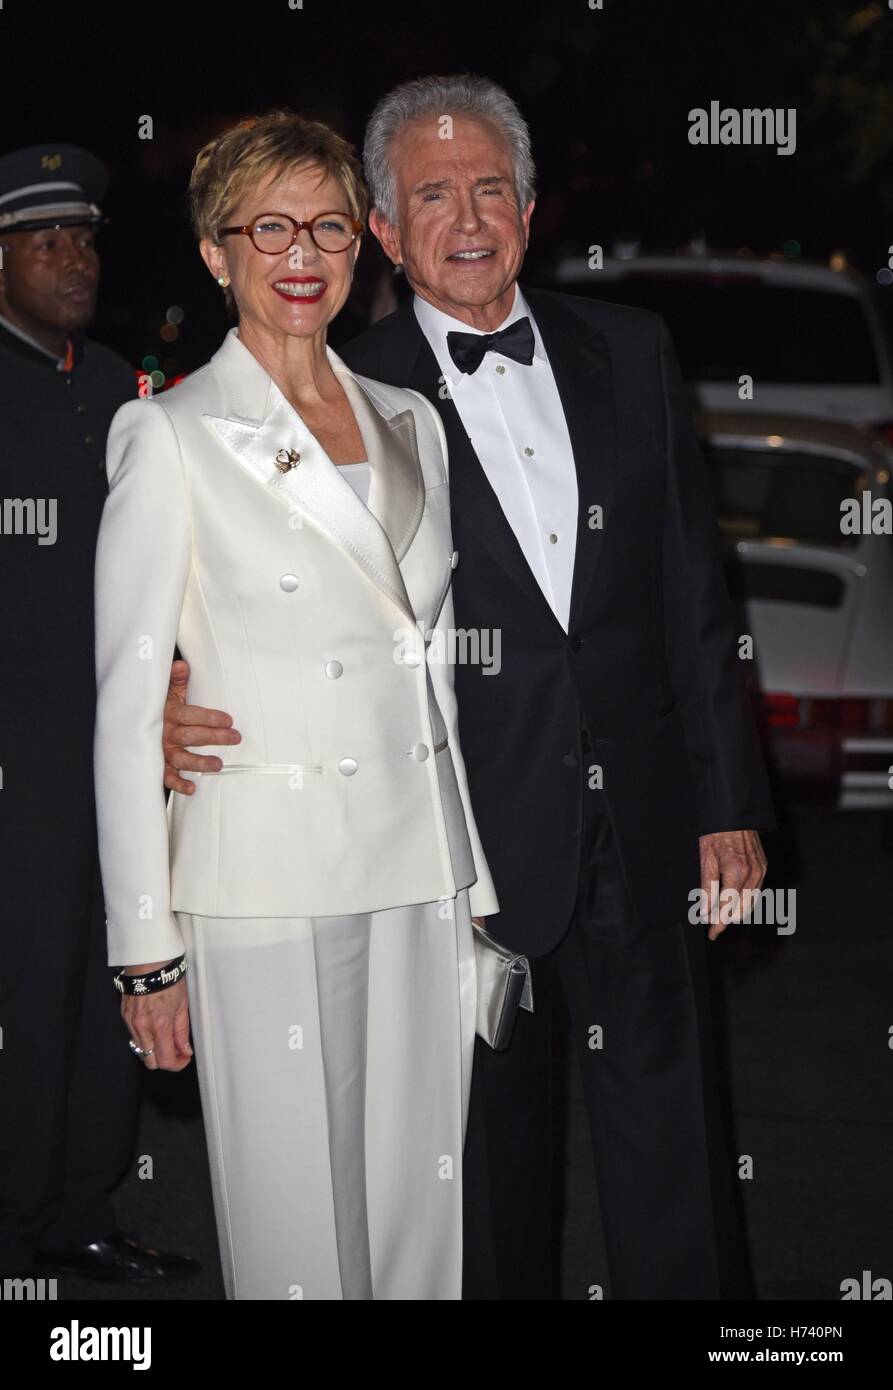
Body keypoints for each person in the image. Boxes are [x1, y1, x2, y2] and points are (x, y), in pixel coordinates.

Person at [164, 76, 777, 1301]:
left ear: (531, 206)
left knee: (676, 1150)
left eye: (489, 187)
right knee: (483, 1180)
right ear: (384, 228)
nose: (468, 218)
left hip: (646, 819)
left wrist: (731, 801)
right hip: (461, 848)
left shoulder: (634, 351)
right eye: (430, 194)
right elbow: (254, 583)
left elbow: (692, 597)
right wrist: (175, 692)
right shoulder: (350, 390)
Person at [93, 110, 498, 1301]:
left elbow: (429, 665)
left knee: (419, 1207)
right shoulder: (168, 434)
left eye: (325, 222)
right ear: (217, 255)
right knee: (295, 1233)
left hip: (421, 864)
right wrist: (142, 951)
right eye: (266, 226)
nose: (300, 251)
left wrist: (474, 873)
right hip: (264, 879)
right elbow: (125, 707)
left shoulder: (407, 419)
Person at [0, 143, 197, 1283]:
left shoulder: (121, 378)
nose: (74, 258)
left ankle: (81, 1211)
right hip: (17, 754)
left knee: (110, 977)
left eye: (81, 238)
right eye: (44, 241)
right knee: (25, 992)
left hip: (116, 752)